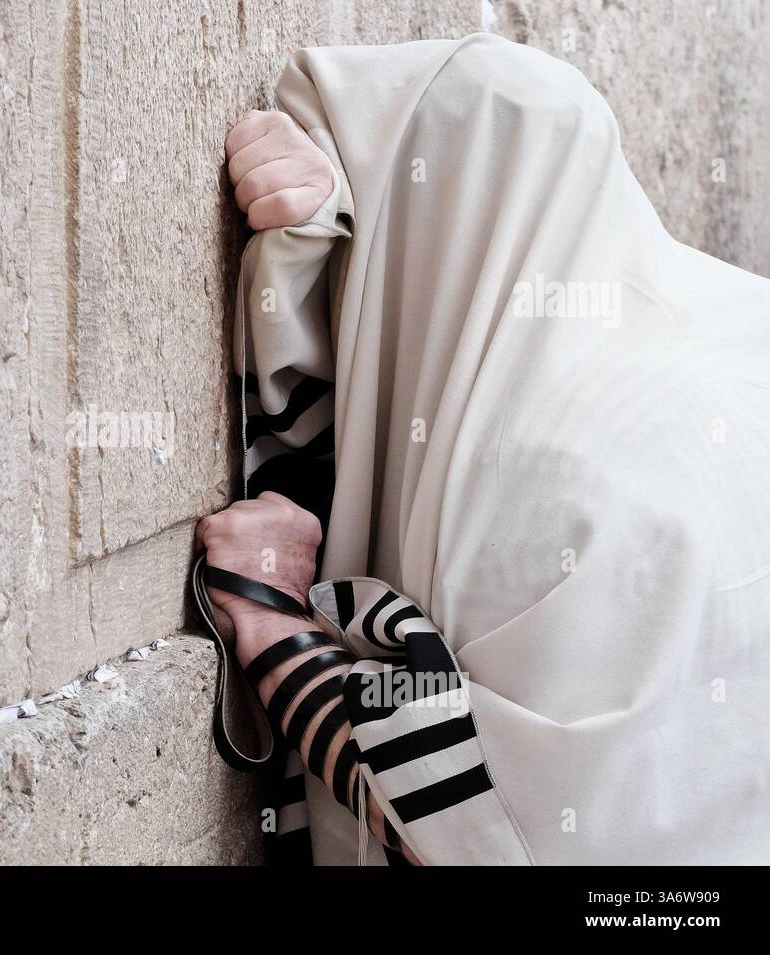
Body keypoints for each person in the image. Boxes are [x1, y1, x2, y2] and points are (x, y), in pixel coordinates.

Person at [196, 33, 770, 865]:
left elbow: (481, 826)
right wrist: (308, 238)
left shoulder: (531, 478)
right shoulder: (738, 327)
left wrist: (272, 620)